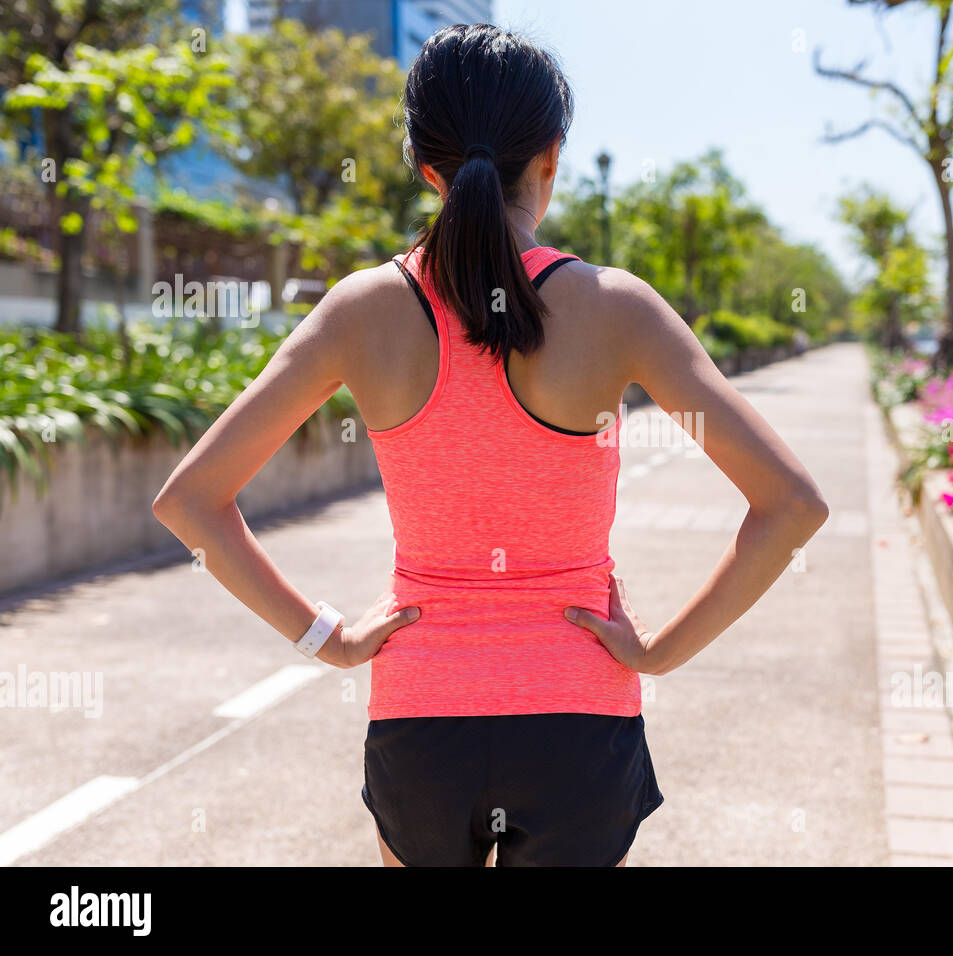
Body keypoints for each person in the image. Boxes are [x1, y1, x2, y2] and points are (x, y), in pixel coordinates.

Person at [152, 22, 828, 867]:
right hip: (579, 726)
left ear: (426, 166)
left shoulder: (359, 311)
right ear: (550, 158)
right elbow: (792, 505)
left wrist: (327, 638)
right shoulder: (618, 309)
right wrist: (658, 652)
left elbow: (189, 502)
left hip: (419, 724)